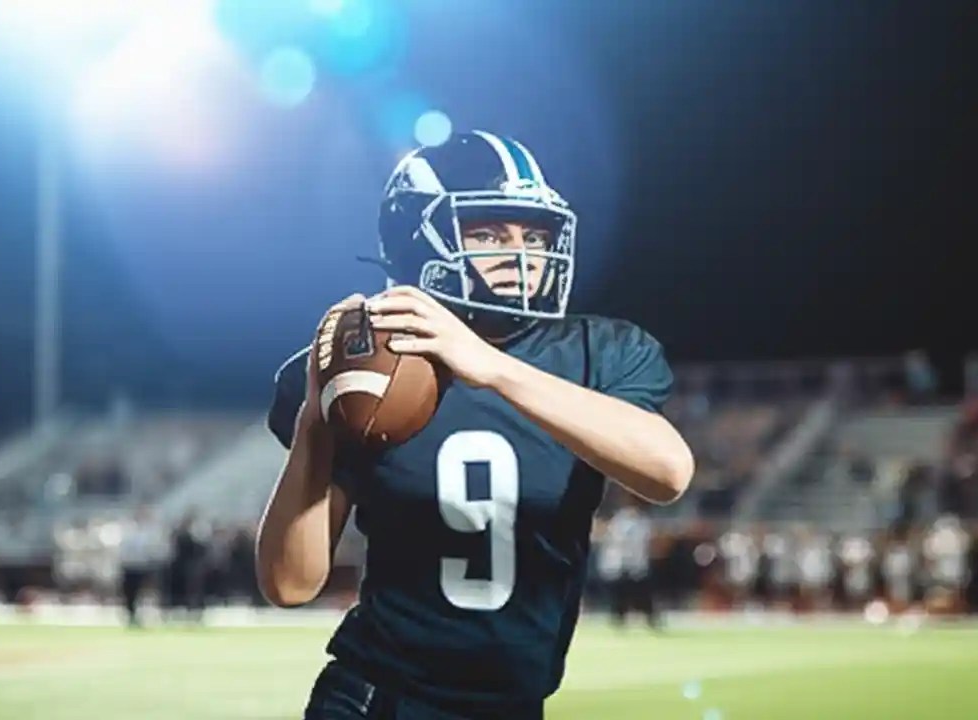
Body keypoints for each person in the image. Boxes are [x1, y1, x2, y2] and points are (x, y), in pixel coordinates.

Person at [257, 130, 694, 719]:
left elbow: (667, 472)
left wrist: (490, 367)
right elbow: (290, 584)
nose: (522, 253)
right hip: (376, 700)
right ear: (419, 238)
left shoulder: (598, 352)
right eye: (488, 232)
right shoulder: (371, 369)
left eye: (534, 234)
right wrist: (317, 409)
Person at [596, 493, 659, 629]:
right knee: (620, 596)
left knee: (643, 594)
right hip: (620, 564)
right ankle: (619, 620)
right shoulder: (619, 521)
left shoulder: (642, 520)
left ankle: (650, 619)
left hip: (636, 564)